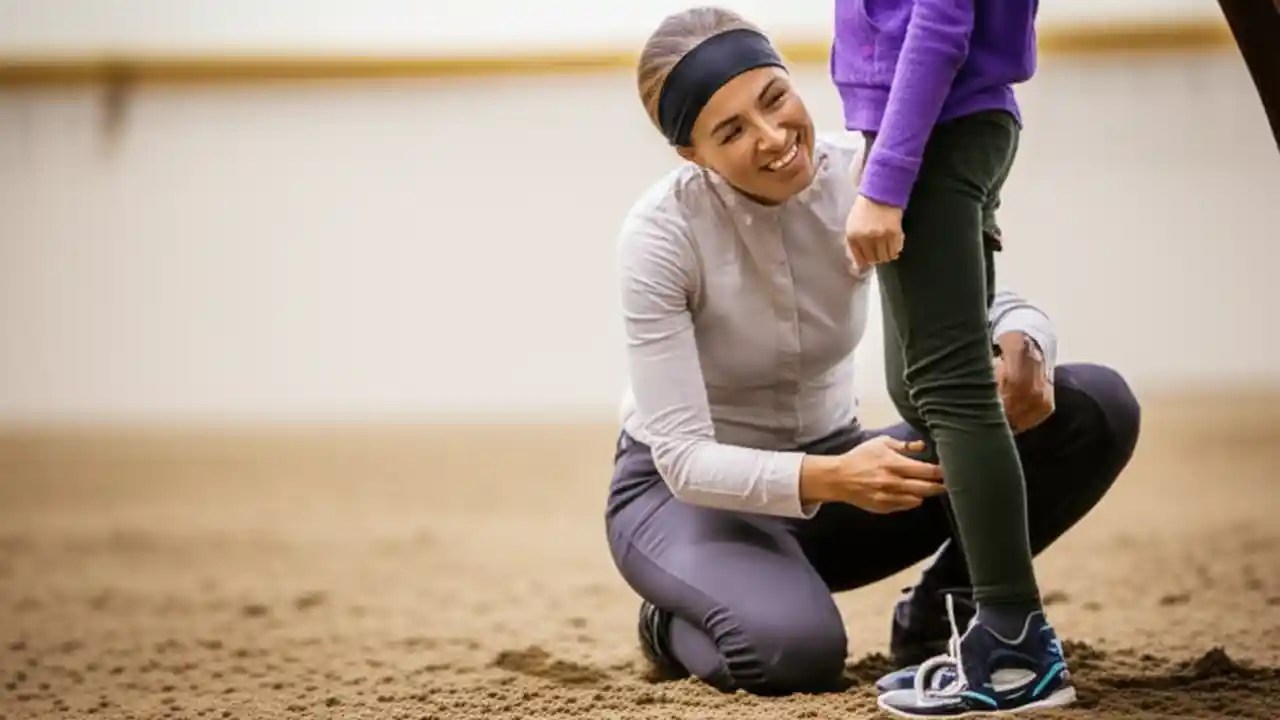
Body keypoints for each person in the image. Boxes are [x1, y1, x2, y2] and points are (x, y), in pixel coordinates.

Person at [607, 7, 1139, 716]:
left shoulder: (862, 178)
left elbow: (957, 303)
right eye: (731, 131)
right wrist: (829, 475)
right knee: (792, 653)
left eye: (774, 100)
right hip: (688, 503)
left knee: (1093, 410)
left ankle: (940, 610)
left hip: (842, 482)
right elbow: (679, 454)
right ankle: (675, 619)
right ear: (692, 155)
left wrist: (1025, 334)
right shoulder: (659, 236)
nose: (772, 139)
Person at [829, 0, 1064, 714]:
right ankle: (986, 617)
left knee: (951, 388)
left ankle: (1014, 640)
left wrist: (886, 179)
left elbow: (939, 20)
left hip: (934, 125)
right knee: (919, 384)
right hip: (953, 120)